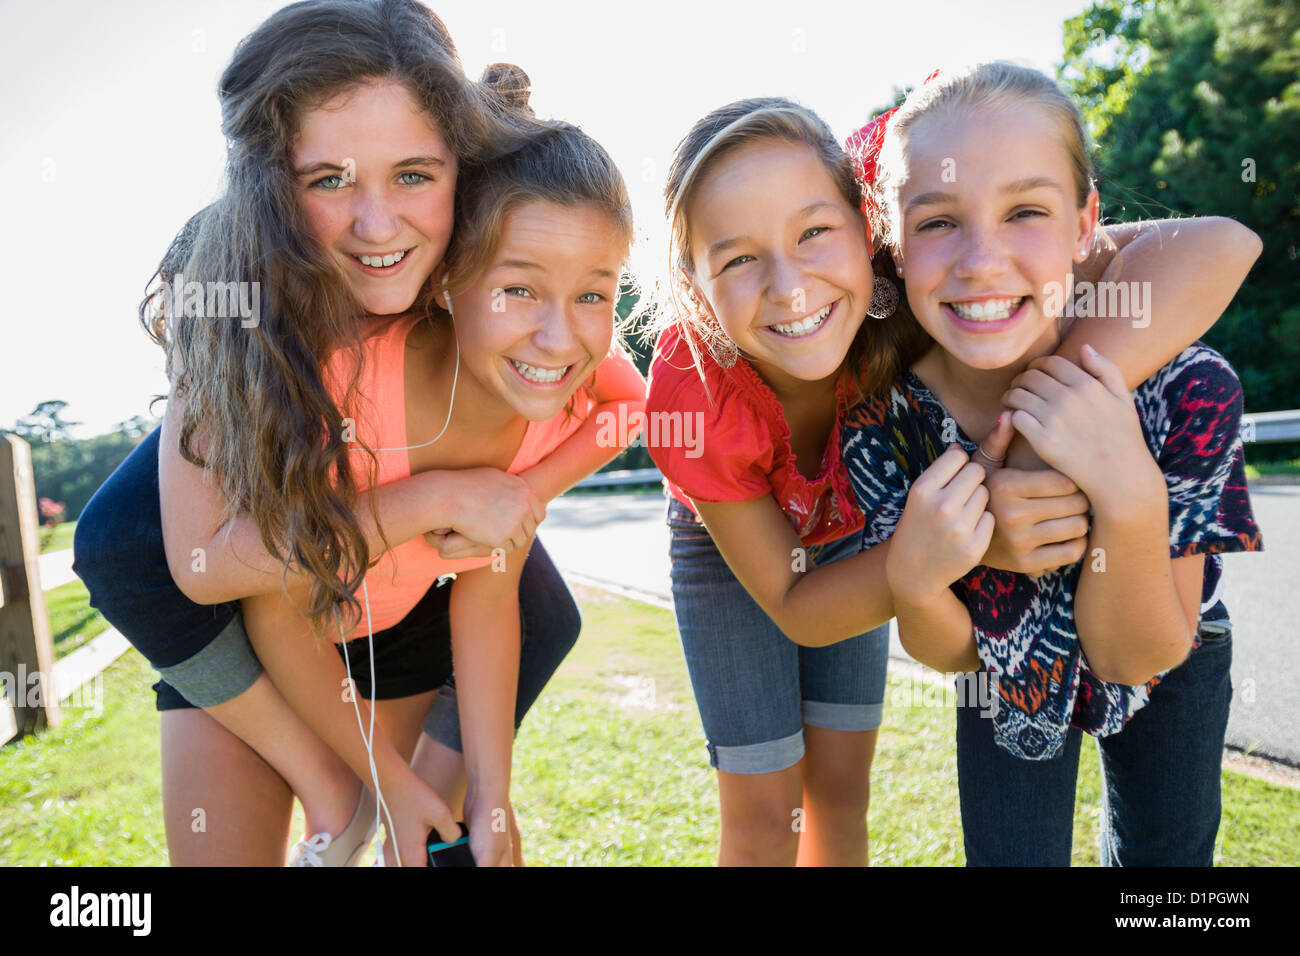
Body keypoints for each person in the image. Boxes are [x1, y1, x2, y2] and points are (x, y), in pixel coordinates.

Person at [73, 0, 639, 865]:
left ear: (468, 170)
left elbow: (618, 404)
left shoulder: (506, 283)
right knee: (121, 537)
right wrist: (441, 496)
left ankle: (416, 802)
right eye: (328, 179)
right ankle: (339, 784)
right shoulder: (228, 293)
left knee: (537, 607)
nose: (378, 226)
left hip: (380, 590)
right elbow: (211, 565)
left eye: (416, 174)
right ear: (272, 184)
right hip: (248, 585)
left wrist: (521, 493)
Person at [643, 91, 1260, 865]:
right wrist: (958, 549)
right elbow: (799, 606)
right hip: (754, 538)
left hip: (884, 524)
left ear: (871, 234)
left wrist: (1042, 432)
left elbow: (1215, 245)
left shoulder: (928, 263)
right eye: (736, 258)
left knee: (840, 794)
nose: (790, 286)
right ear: (695, 284)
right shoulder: (692, 393)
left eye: (814, 234)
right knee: (766, 808)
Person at [839, 60, 1263, 865]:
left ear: (1084, 225)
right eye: (936, 223)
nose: (980, 260)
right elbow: (952, 651)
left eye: (1025, 210)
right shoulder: (887, 420)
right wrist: (918, 576)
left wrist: (1129, 498)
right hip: (1003, 672)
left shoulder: (1187, 389)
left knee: (1169, 875)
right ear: (891, 239)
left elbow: (1136, 657)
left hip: (1170, 645)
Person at [241, 117, 643, 867]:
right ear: (450, 280)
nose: (560, 339)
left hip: (367, 651)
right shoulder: (340, 385)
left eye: (594, 295)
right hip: (253, 665)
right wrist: (385, 781)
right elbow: (272, 598)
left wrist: (494, 796)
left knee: (413, 839)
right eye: (519, 289)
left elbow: (490, 595)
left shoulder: (548, 415)